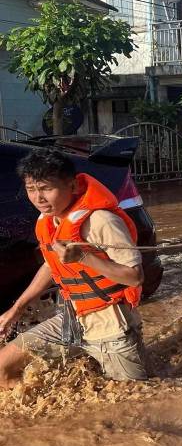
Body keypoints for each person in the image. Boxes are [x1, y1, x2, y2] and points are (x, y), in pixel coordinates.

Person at [0, 148, 147, 388]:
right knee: (2, 368)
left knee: (134, 397)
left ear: (73, 186)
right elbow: (52, 264)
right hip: (71, 319)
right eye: (31, 189)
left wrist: (84, 258)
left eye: (47, 188)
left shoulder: (102, 221)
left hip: (111, 327)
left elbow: (135, 277)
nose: (39, 198)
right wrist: (17, 308)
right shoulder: (48, 220)